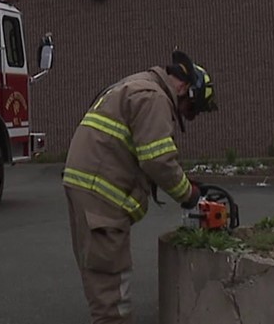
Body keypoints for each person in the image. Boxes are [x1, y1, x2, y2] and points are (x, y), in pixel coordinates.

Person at [62, 50, 219, 324]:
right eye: (191, 110)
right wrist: (189, 194)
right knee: (112, 283)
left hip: (86, 189)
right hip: (101, 196)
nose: (187, 116)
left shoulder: (137, 84)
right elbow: (158, 160)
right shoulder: (154, 97)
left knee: (99, 277)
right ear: (185, 88)